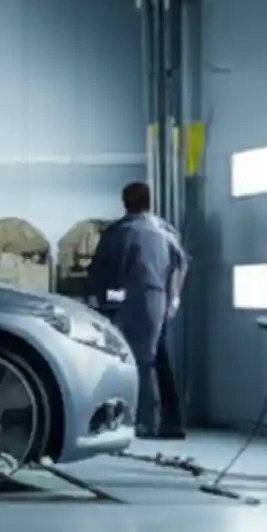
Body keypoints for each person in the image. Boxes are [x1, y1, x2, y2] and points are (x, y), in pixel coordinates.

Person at [87, 182, 188, 439]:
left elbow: (105, 272)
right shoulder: (164, 229)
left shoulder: (121, 231)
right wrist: (173, 298)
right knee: (158, 358)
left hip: (135, 299)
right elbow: (181, 264)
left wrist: (101, 300)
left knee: (139, 360)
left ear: (124, 202)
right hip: (160, 300)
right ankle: (171, 421)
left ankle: (145, 422)